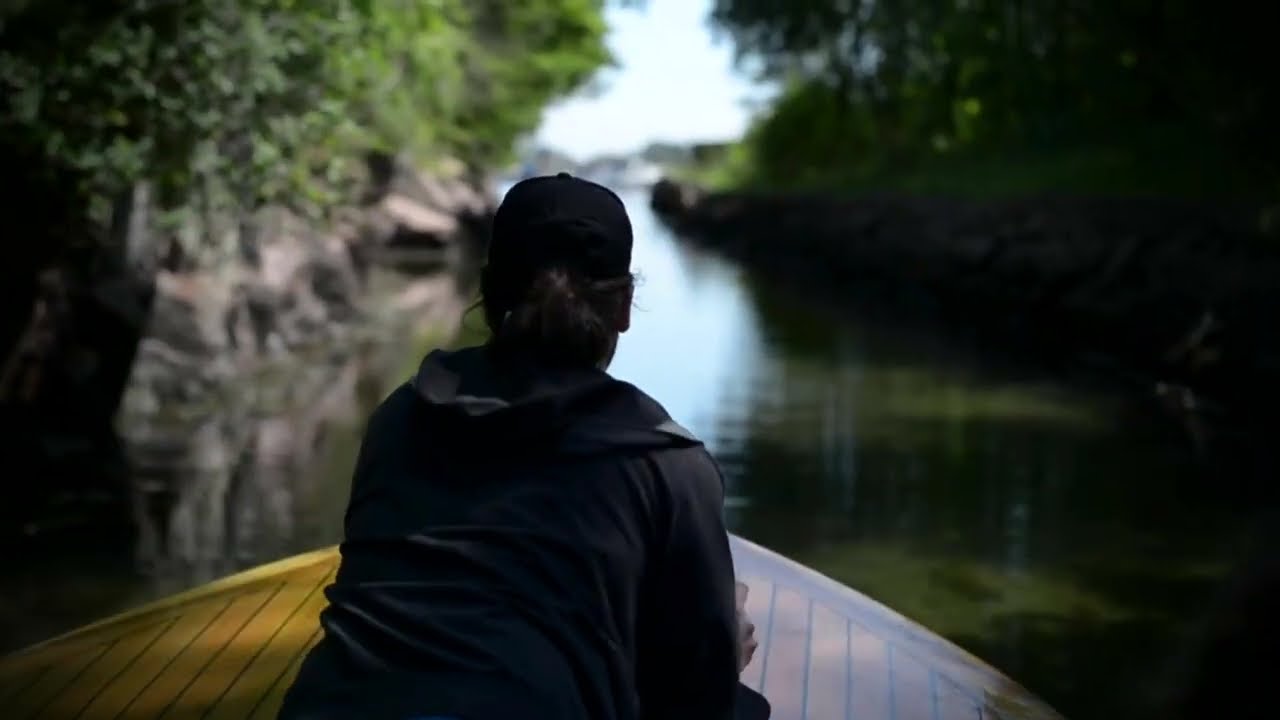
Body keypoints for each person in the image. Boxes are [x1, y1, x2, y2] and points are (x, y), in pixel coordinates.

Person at [278, 173, 763, 720]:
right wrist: (725, 653)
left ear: (487, 292)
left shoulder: (401, 415)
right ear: (624, 306)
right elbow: (695, 700)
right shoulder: (666, 465)